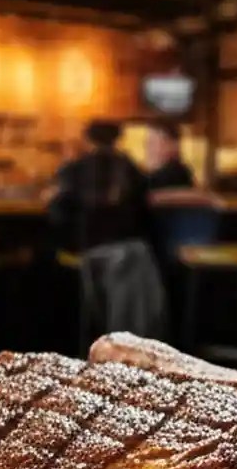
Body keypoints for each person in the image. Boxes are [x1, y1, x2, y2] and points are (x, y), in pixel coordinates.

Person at [49, 120, 166, 340]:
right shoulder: (131, 169)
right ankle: (132, 340)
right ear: (118, 139)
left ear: (87, 139)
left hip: (87, 250)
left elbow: (58, 214)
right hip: (130, 249)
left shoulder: (73, 169)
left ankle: (101, 337)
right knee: (137, 254)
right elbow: (146, 213)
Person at [144, 119, 194, 191]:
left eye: (152, 142)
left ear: (172, 145)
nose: (147, 148)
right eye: (147, 143)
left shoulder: (175, 173)